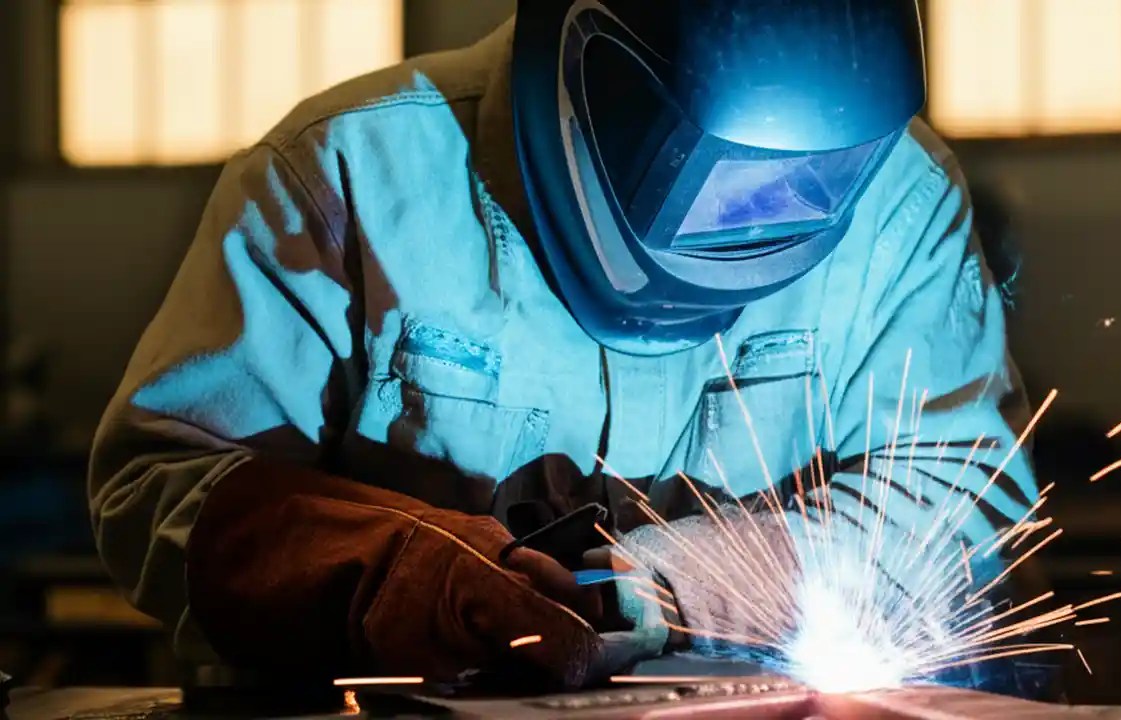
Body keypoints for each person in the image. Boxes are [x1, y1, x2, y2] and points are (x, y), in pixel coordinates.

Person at [89, 0, 1036, 691]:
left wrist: (675, 584)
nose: (772, 214)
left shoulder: (900, 206)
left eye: (824, 179)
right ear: (594, 73)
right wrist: (389, 575)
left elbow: (962, 501)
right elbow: (162, 483)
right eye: (721, 179)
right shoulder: (347, 172)